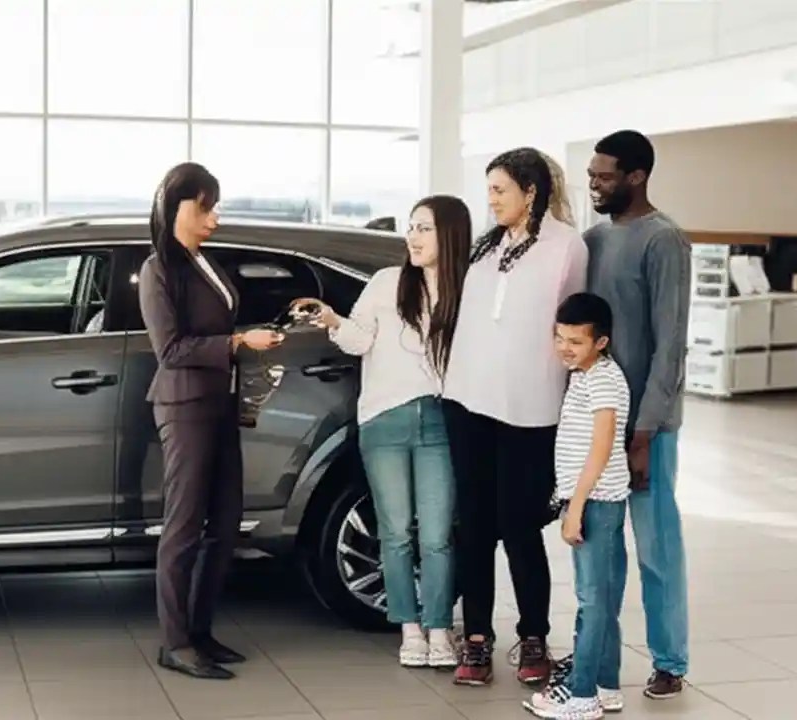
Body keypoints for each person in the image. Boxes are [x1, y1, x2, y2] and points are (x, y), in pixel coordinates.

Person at [295, 195, 473, 668]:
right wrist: (332, 320)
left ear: (450, 234)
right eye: (411, 227)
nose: (412, 237)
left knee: (436, 535)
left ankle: (439, 628)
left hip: (439, 420)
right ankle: (409, 630)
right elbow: (359, 340)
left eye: (425, 228)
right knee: (394, 532)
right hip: (384, 421)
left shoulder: (466, 291)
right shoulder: (387, 282)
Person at [442, 147, 589, 687]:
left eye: (500, 190)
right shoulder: (486, 248)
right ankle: (476, 639)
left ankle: (533, 637)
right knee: (474, 526)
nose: (492, 200)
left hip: (532, 407)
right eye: (489, 191)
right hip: (467, 401)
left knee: (520, 526)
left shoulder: (566, 247)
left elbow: (572, 330)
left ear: (531, 191)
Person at [138, 162, 283, 680]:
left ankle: (199, 633)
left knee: (224, 525)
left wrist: (245, 337)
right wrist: (238, 342)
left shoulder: (205, 263)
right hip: (184, 407)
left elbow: (215, 329)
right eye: (206, 205)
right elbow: (171, 349)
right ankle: (174, 642)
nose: (214, 216)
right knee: (183, 526)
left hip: (219, 405)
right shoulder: (160, 269)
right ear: (178, 207)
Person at [581, 129, 691, 699]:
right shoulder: (593, 239)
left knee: (656, 549)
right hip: (597, 419)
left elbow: (670, 344)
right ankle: (599, 665)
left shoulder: (664, 239)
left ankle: (670, 660)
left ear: (637, 176)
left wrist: (644, 433)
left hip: (646, 429)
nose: (594, 183)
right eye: (591, 174)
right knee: (602, 553)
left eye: (604, 175)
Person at [524, 292, 631, 720]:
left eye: (576, 341)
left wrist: (576, 506)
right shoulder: (585, 374)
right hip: (592, 500)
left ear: (601, 342)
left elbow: (602, 448)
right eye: (560, 338)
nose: (565, 348)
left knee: (592, 601)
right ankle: (605, 685)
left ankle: (583, 693)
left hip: (597, 502)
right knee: (602, 598)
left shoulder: (604, 379)